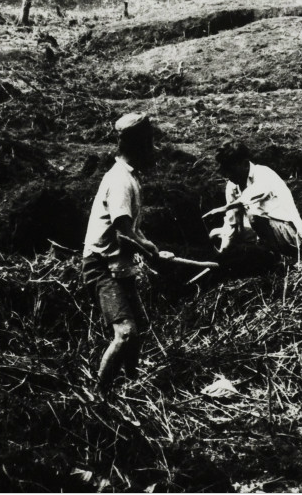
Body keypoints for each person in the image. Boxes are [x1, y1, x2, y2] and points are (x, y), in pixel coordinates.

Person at [81, 113, 215, 395]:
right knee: (126, 332)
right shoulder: (120, 181)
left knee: (138, 327)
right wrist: (151, 255)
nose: (154, 151)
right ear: (137, 146)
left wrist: (152, 247)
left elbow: (131, 231)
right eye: (149, 144)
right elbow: (121, 233)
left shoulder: (128, 177)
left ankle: (130, 382)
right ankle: (98, 397)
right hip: (103, 264)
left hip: (119, 263)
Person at [207, 141, 302, 266]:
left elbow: (251, 195)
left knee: (254, 217)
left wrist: (226, 207)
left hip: (291, 236)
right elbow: (231, 222)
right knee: (217, 233)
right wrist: (222, 253)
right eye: (225, 171)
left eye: (231, 170)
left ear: (244, 164)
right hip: (265, 234)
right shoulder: (232, 184)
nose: (228, 176)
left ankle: (278, 259)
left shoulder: (264, 174)